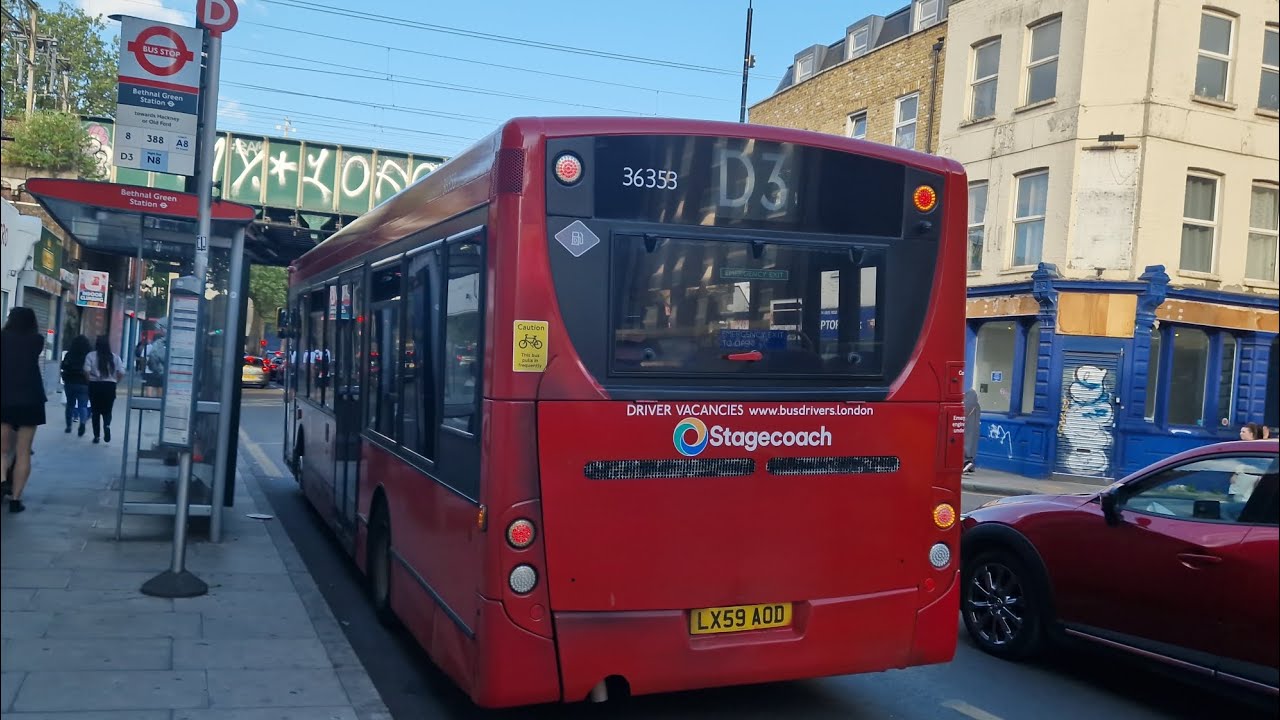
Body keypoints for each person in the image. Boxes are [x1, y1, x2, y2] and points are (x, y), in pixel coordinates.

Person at [1, 307, 48, 513]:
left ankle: (2, 481)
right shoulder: (37, 340)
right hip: (31, 399)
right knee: (23, 452)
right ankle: (16, 499)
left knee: (1, 450)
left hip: (4, 397)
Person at [84, 335, 126, 444]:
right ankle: (107, 425)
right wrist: (116, 381)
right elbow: (121, 372)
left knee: (95, 411)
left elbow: (86, 371)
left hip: (95, 385)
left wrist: (89, 381)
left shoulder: (90, 356)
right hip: (109, 386)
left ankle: (96, 436)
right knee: (108, 410)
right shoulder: (115, 357)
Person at [61, 335, 93, 436]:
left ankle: (68, 426)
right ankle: (82, 424)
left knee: (70, 405)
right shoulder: (89, 356)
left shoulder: (69, 355)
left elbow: (63, 366)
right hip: (84, 383)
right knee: (82, 406)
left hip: (70, 382)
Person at [963, 387, 980, 473]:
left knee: (966, 440)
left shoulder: (967, 400)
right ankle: (969, 463)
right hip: (972, 425)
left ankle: (966, 462)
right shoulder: (976, 405)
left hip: (966, 424)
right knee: (971, 441)